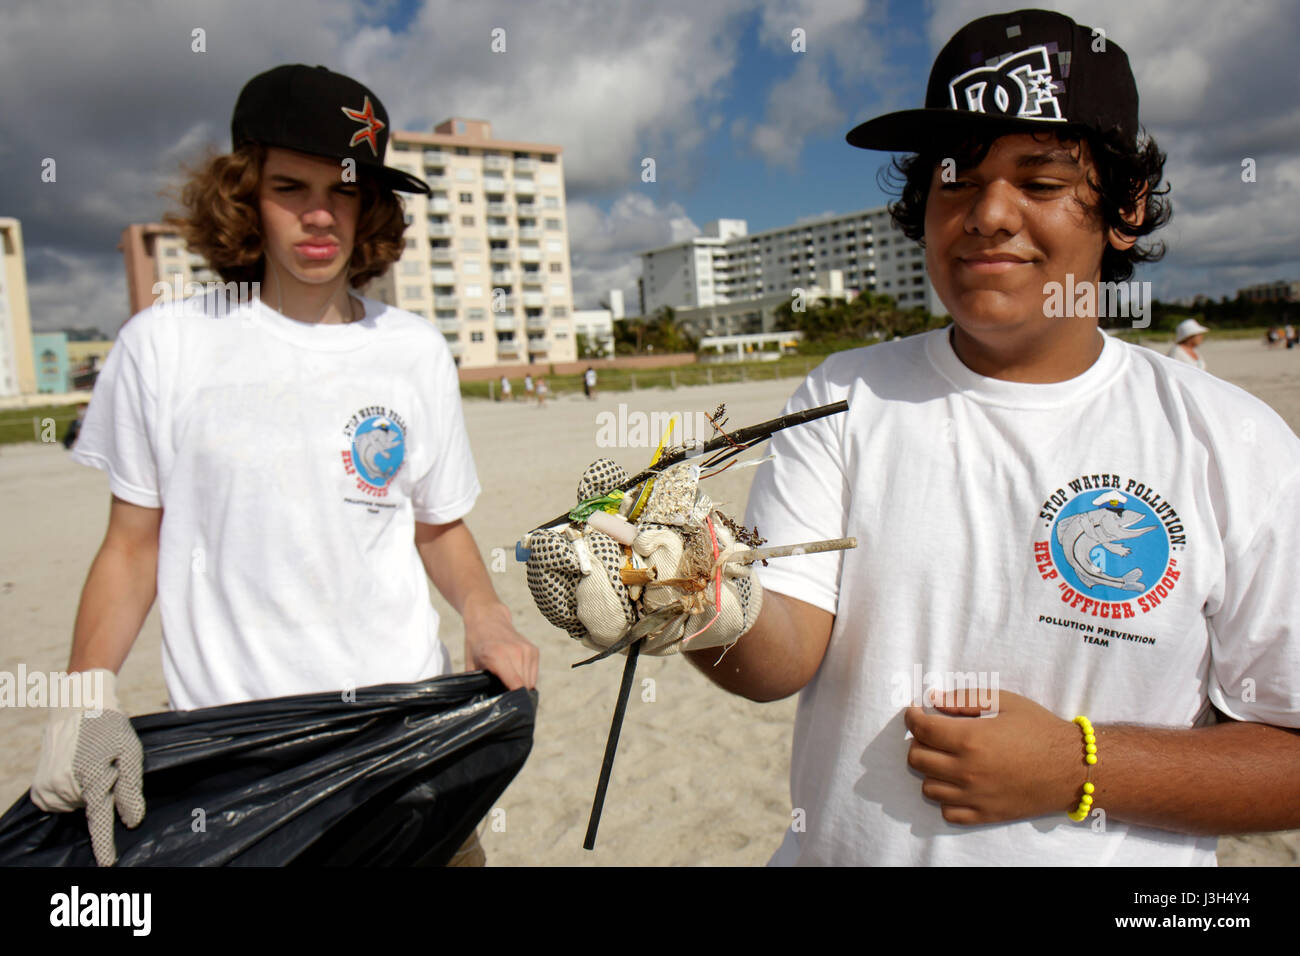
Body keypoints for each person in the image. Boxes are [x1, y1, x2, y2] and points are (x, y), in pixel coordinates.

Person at [679, 9, 1300, 865]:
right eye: (956, 180)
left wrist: (1075, 767)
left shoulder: (1233, 441)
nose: (988, 215)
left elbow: (1287, 752)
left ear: (1126, 207)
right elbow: (782, 656)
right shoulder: (844, 394)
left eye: (1039, 183)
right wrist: (691, 599)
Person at [30, 64, 537, 867]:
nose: (317, 215)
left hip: (406, 751)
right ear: (243, 196)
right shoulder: (164, 347)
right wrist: (80, 699)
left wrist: (486, 614)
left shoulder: (412, 351)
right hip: (240, 769)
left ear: (370, 201)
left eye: (342, 190)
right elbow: (132, 547)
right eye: (287, 187)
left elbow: (438, 526)